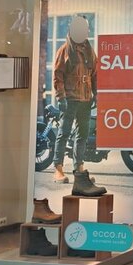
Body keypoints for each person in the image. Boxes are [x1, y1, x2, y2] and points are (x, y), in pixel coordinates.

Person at [52, 15, 97, 182]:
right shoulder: (64, 50)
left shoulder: (89, 51)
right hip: (70, 99)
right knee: (64, 133)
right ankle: (58, 169)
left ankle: (79, 168)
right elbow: (58, 76)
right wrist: (61, 97)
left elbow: (95, 74)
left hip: (85, 99)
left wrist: (96, 94)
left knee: (82, 134)